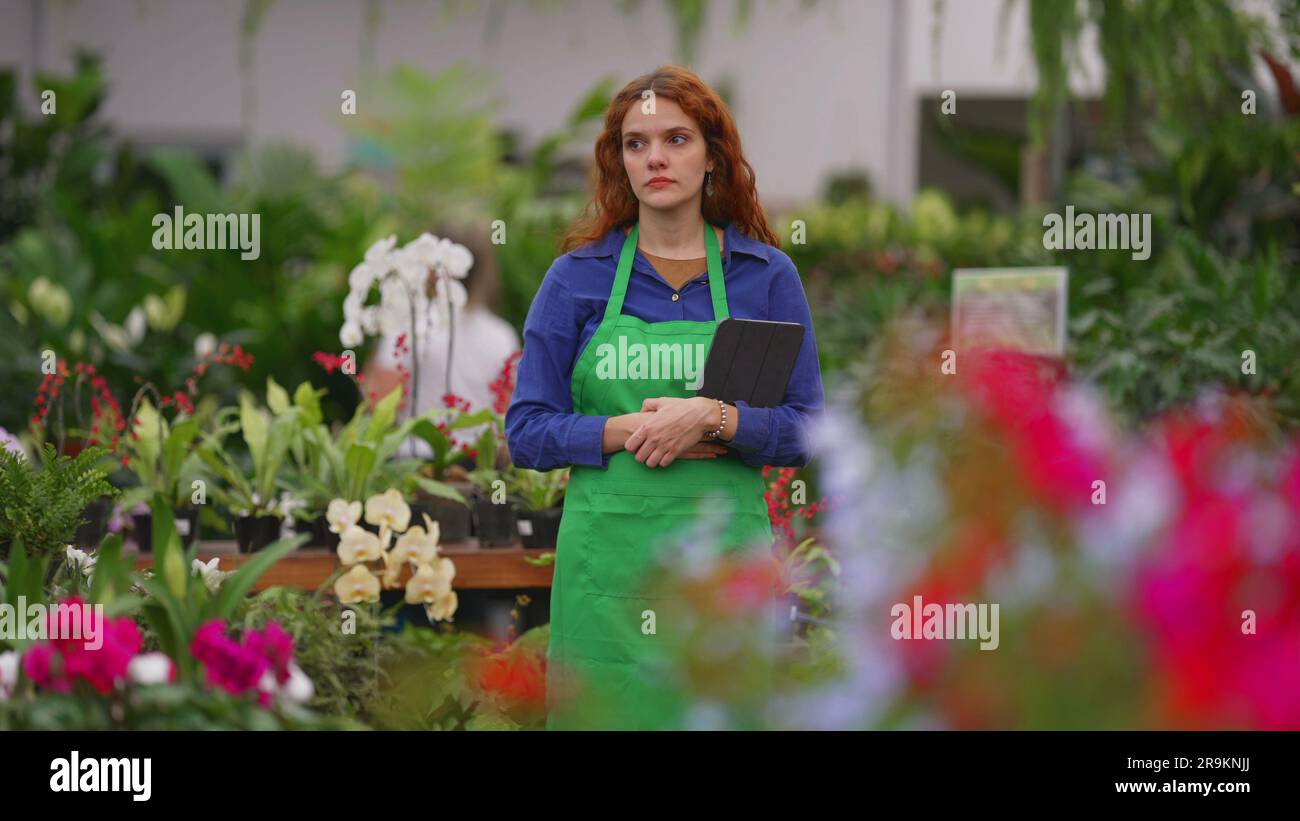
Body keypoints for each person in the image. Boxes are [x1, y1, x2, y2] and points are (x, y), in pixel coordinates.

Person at [504, 65, 825, 730]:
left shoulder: (765, 276)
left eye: (676, 139)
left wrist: (712, 417)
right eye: (636, 143)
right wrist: (625, 430)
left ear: (713, 154)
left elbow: (807, 429)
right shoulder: (577, 279)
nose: (655, 156)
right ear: (620, 162)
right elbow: (527, 430)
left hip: (721, 583)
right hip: (606, 587)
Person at [364, 221, 520, 458]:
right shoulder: (502, 335)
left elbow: (380, 406)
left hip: (414, 464)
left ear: (430, 268)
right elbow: (510, 417)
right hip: (479, 468)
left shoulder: (407, 325)